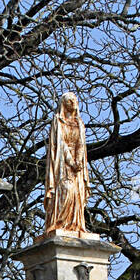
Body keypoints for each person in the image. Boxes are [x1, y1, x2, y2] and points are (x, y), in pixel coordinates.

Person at [45, 91, 90, 237]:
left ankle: (75, 224)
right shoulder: (58, 122)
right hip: (62, 164)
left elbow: (81, 144)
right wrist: (71, 161)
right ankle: (60, 222)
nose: (73, 103)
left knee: (77, 194)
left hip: (77, 166)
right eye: (69, 101)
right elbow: (60, 144)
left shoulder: (79, 124)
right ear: (63, 103)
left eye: (74, 100)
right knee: (66, 190)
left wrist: (78, 161)